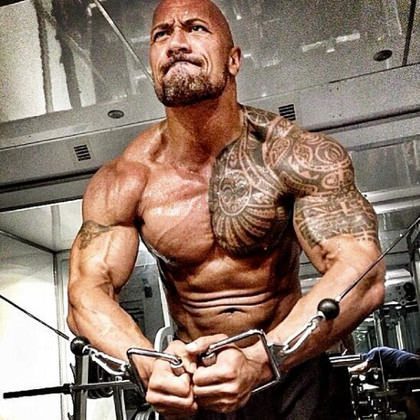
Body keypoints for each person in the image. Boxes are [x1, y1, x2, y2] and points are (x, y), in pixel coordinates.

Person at [67, 0, 385, 418]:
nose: (176, 43)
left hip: (291, 367)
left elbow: (362, 271)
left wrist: (262, 360)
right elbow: (86, 292)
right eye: (161, 34)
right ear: (151, 64)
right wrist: (146, 363)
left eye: (196, 28)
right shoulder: (126, 179)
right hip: (194, 382)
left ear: (234, 60)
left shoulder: (296, 156)